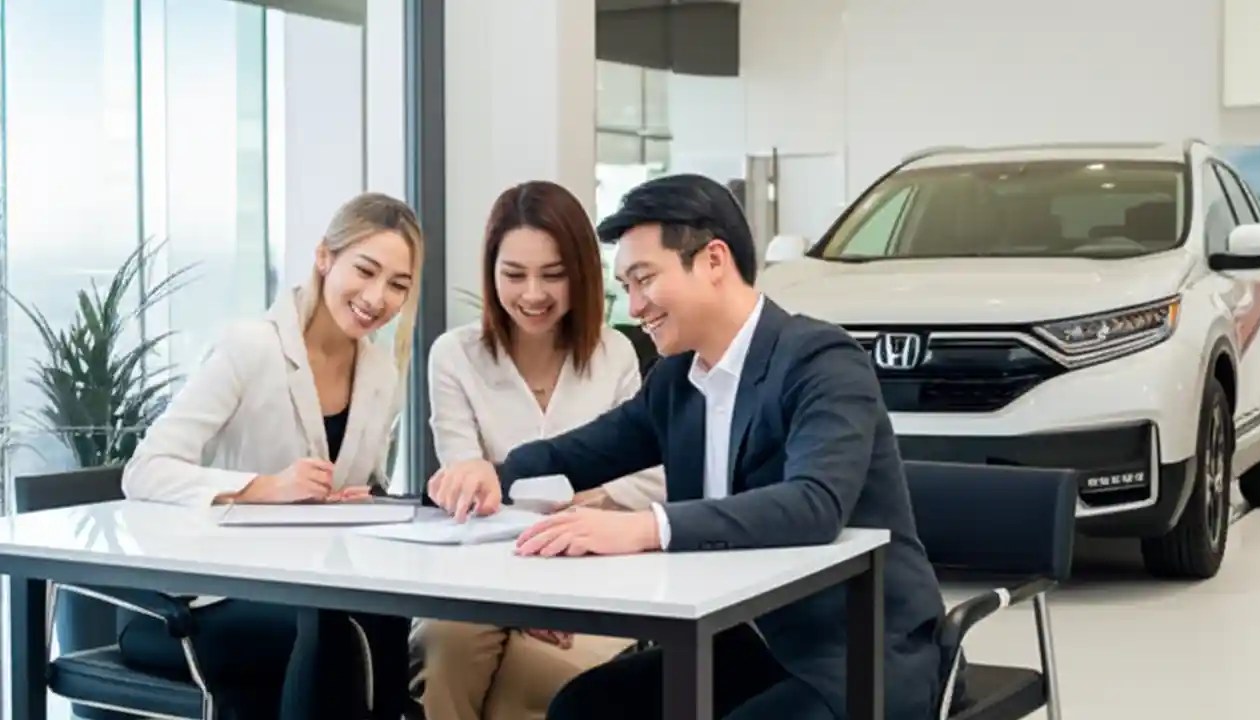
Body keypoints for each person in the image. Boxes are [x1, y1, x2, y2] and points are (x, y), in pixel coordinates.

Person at [427, 174, 950, 720]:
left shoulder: (821, 360)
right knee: (583, 708)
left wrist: (642, 526)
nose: (634, 306)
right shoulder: (677, 379)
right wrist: (495, 472)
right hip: (747, 642)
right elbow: (579, 453)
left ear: (713, 261)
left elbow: (814, 505)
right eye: (625, 287)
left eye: (644, 279)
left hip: (855, 651)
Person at [121, 192, 422, 720]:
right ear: (325, 257)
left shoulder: (380, 375)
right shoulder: (250, 347)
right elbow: (145, 470)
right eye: (366, 271)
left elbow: (353, 483)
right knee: (334, 626)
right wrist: (266, 488)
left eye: (398, 284)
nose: (378, 297)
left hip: (303, 590)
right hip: (203, 602)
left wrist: (358, 500)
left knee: (387, 615)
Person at [417, 180, 665, 720]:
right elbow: (468, 486)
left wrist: (561, 528)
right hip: (482, 574)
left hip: (590, 573)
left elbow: (648, 483)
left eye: (553, 275)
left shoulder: (615, 353)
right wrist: (579, 501)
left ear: (581, 274)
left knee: (534, 682)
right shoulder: (454, 356)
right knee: (445, 653)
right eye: (514, 274)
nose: (533, 294)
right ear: (491, 274)